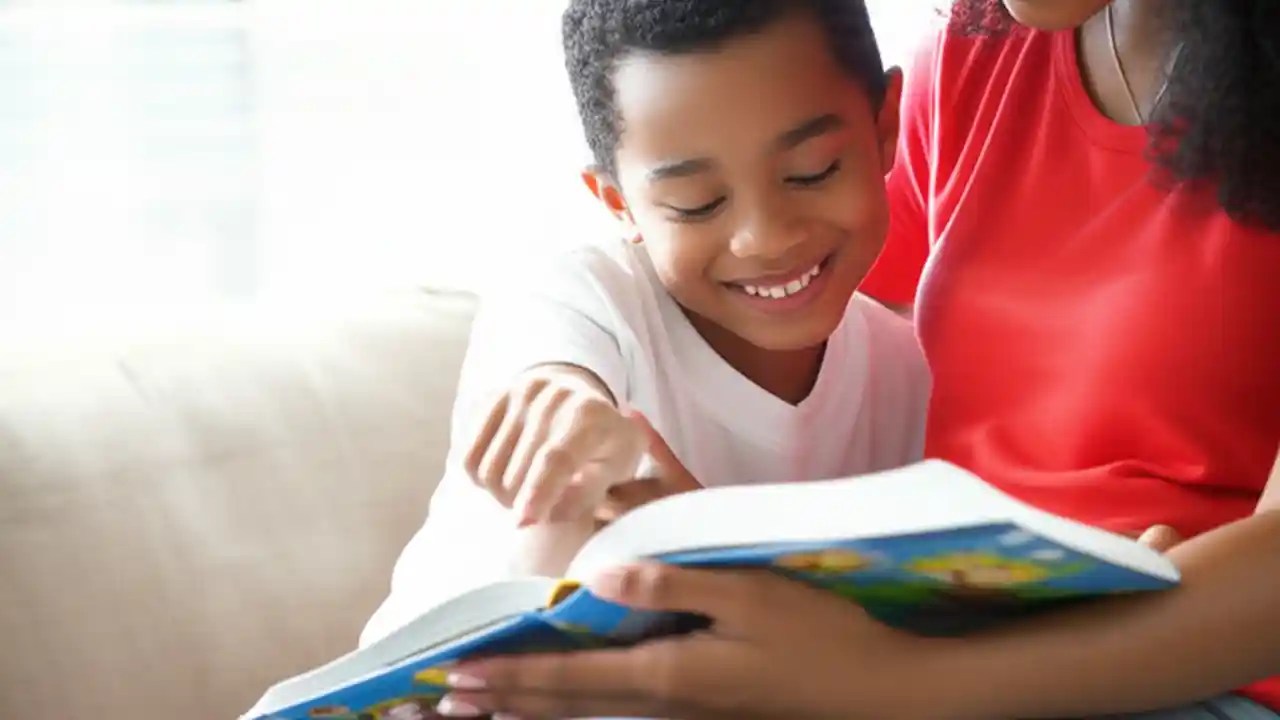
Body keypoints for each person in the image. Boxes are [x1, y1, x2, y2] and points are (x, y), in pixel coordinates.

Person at [431, 0, 1280, 717]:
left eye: (813, 169)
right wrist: (697, 520)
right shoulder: (985, 55)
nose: (762, 224)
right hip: (934, 633)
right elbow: (760, 286)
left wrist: (886, 683)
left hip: (1183, 678)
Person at [359, 0, 932, 646]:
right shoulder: (586, 300)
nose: (765, 239)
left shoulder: (914, 380)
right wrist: (571, 413)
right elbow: (549, 365)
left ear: (887, 129)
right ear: (618, 203)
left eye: (812, 171)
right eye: (697, 204)